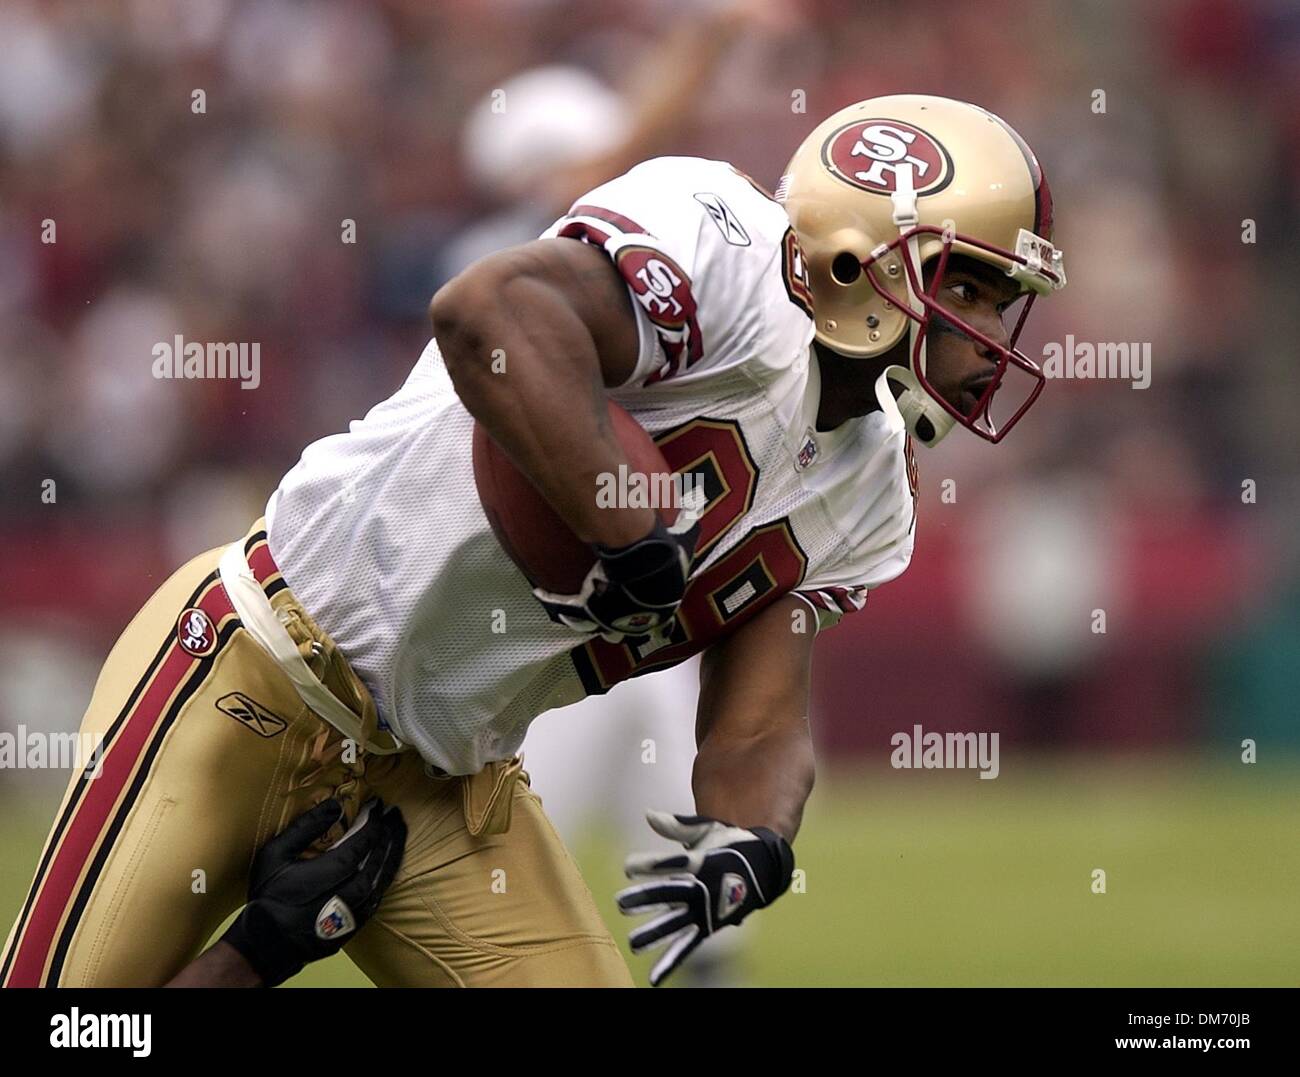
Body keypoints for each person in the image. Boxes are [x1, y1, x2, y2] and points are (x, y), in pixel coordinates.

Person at [2, 94, 1065, 987]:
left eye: (1001, 301)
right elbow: (487, 311)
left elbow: (754, 728)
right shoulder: (723, 247)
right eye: (967, 285)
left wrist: (754, 842)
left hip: (440, 782)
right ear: (852, 255)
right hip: (260, 671)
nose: (987, 340)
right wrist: (626, 524)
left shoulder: (872, 488)